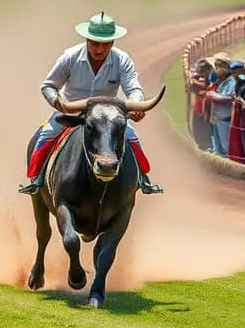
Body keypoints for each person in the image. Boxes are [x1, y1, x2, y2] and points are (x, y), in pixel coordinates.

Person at [19, 12, 163, 195]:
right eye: (94, 43)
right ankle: (37, 181)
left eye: (106, 44)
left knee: (133, 140)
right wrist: (58, 102)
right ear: (86, 39)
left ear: (113, 43)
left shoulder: (122, 60)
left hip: (108, 116)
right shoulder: (70, 57)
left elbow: (134, 88)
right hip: (72, 110)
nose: (100, 49)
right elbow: (48, 86)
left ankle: (143, 180)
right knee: (45, 137)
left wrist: (137, 105)